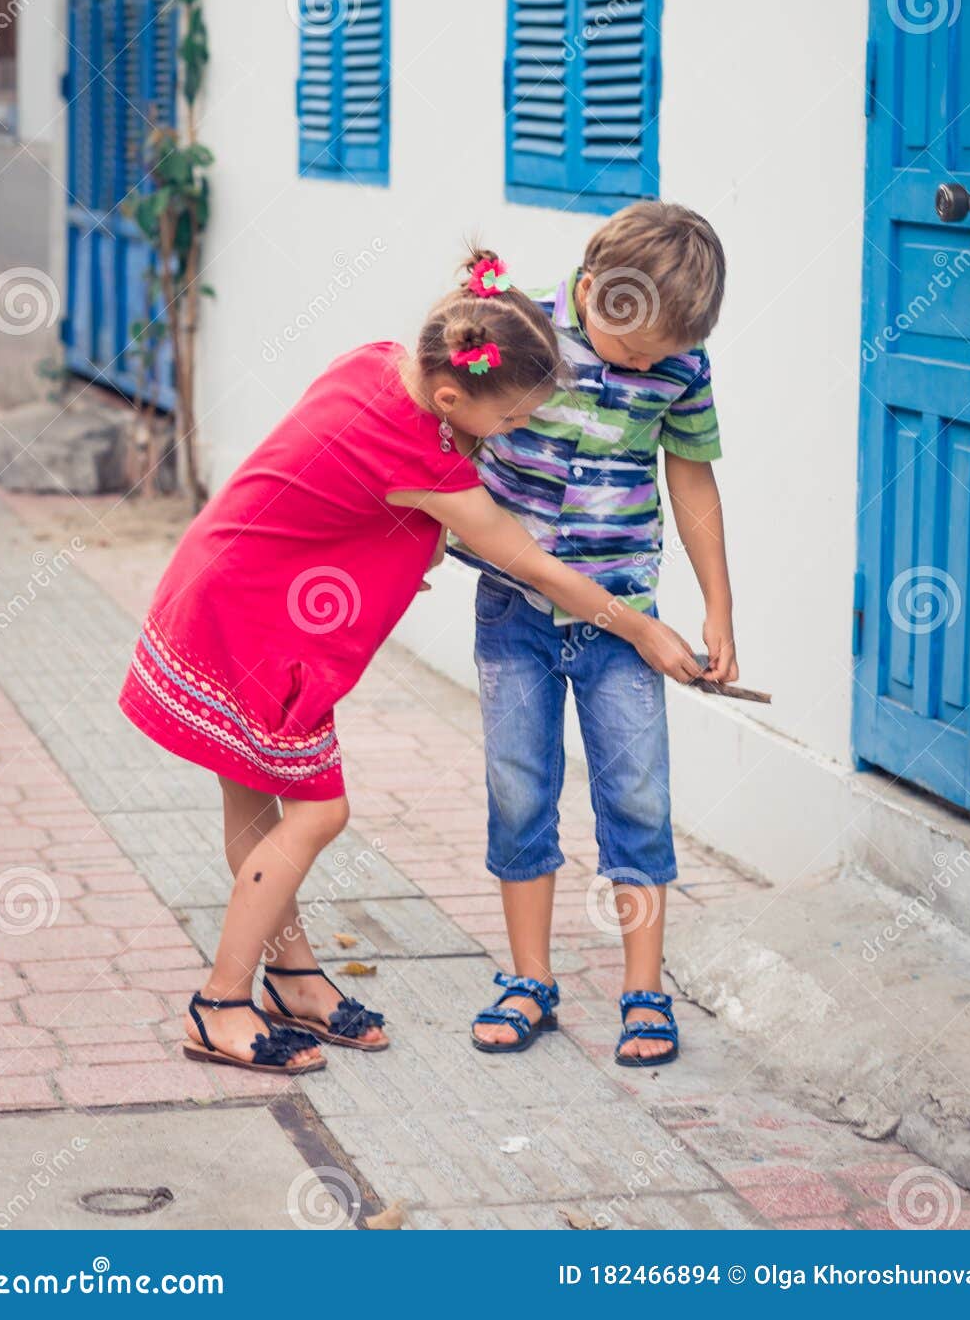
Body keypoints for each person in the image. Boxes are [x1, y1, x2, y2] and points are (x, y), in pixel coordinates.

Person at [119, 250, 684, 1075]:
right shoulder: (425, 460)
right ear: (454, 397)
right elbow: (528, 560)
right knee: (317, 814)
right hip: (250, 622)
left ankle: (294, 978)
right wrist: (639, 629)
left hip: (225, 586)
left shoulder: (381, 362)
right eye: (510, 421)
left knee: (257, 804)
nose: (514, 433)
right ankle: (220, 1003)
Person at [455, 206, 736, 1067]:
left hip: (625, 622)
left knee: (638, 799)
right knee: (518, 788)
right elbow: (449, 438)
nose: (651, 366)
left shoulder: (678, 362)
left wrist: (718, 609)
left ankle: (643, 989)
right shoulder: (520, 331)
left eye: (664, 356)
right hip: (513, 611)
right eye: (636, 350)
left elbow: (690, 482)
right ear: (589, 293)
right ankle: (528, 978)